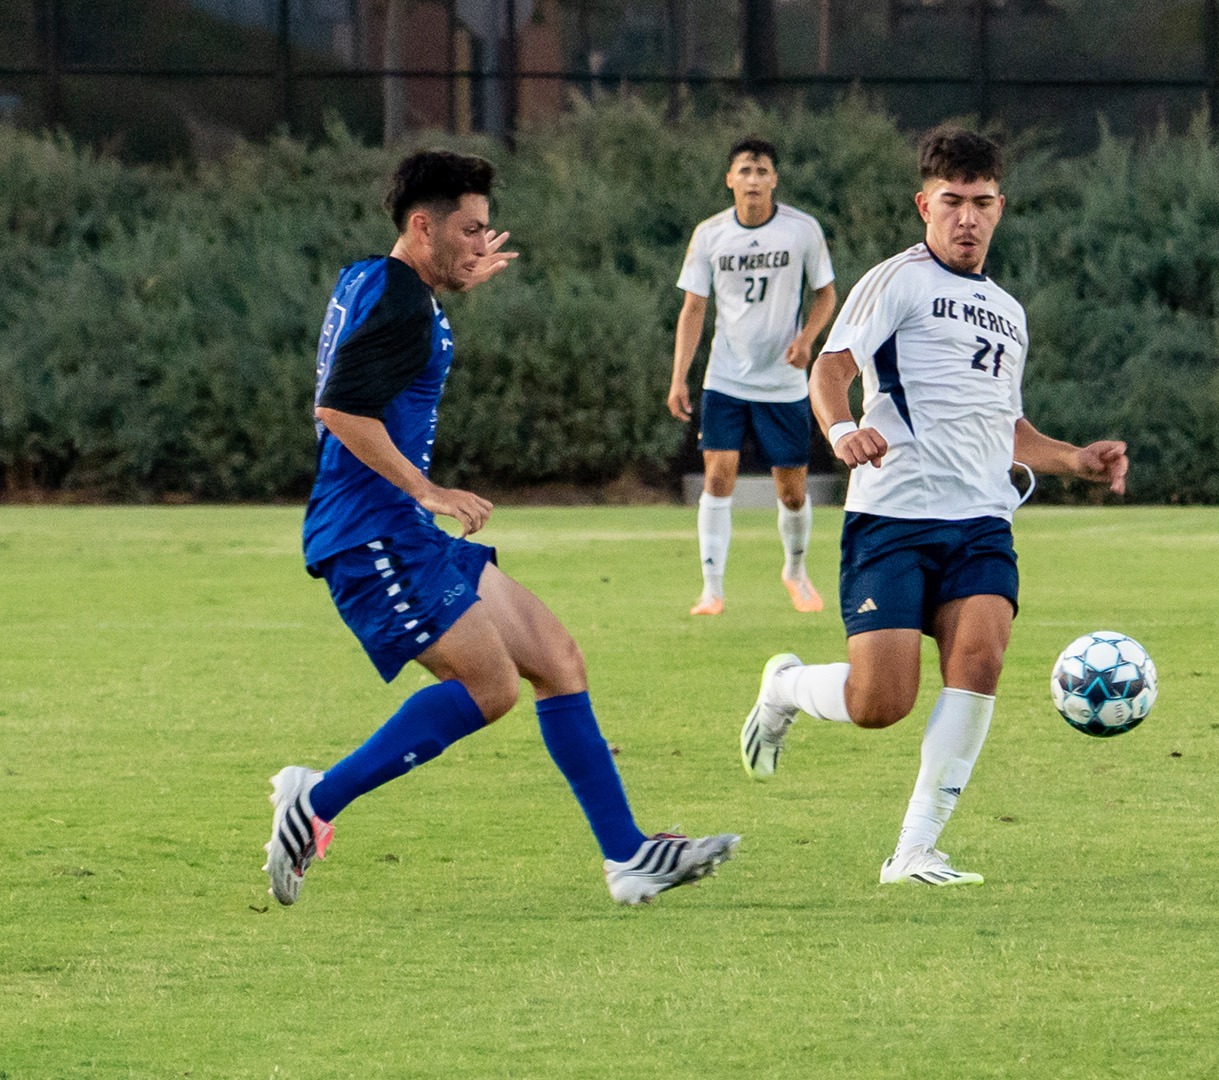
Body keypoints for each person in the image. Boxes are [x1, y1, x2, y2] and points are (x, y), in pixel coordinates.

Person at [265, 150, 738, 908]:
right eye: (469, 230)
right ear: (422, 226)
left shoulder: (375, 279)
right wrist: (429, 489)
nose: (483, 244)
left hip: (396, 530)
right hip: (371, 534)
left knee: (555, 657)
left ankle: (630, 857)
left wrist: (447, 281)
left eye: (486, 229)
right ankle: (317, 802)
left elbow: (376, 360)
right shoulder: (399, 303)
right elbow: (339, 410)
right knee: (489, 688)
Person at [737, 128, 1129, 886]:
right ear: (925, 204)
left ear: (1000, 209)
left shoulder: (1009, 312)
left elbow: (1005, 426)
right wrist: (845, 430)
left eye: (982, 204)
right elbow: (832, 370)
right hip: (894, 517)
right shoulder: (898, 281)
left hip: (982, 518)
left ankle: (914, 849)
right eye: (952, 202)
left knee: (980, 660)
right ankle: (784, 686)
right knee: (881, 701)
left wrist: (1074, 459)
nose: (967, 219)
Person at [669, 137, 838, 616]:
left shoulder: (802, 230)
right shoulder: (709, 235)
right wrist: (679, 377)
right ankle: (712, 589)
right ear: (730, 179)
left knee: (792, 489)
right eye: (745, 171)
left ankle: (796, 572)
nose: (754, 180)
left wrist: (807, 339)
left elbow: (826, 294)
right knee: (718, 478)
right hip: (725, 378)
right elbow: (694, 307)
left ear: (774, 180)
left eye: (762, 171)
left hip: (783, 382)